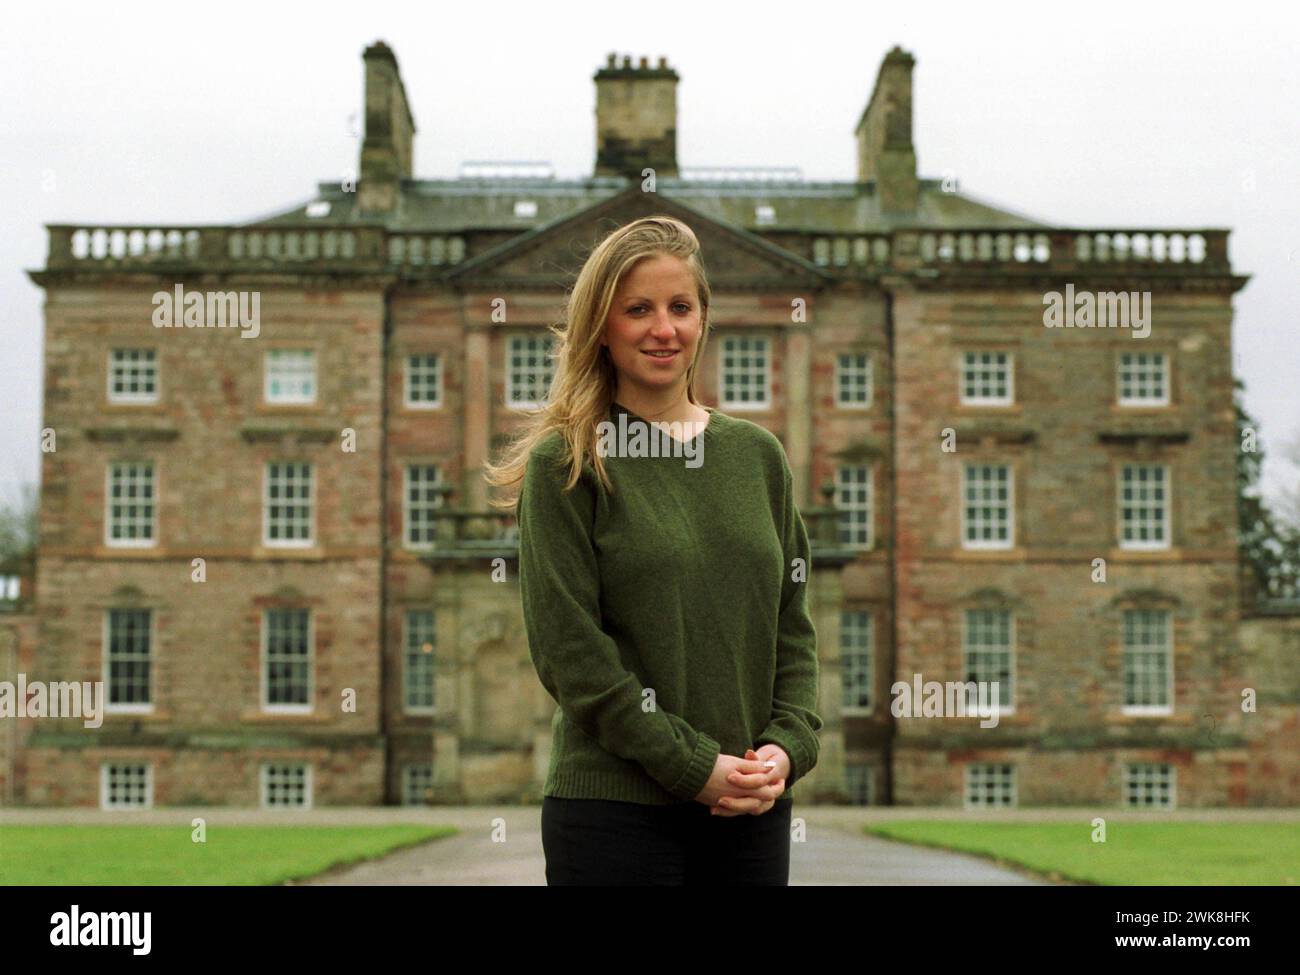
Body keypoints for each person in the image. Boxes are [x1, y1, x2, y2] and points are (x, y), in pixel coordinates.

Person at [485, 214, 822, 885]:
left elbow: (792, 626)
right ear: (601, 327)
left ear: (703, 319)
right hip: (614, 814)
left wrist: (789, 746)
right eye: (637, 309)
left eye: (680, 307)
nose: (663, 328)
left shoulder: (758, 457)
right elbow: (572, 656)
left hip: (748, 811)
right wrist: (694, 766)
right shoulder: (568, 463)